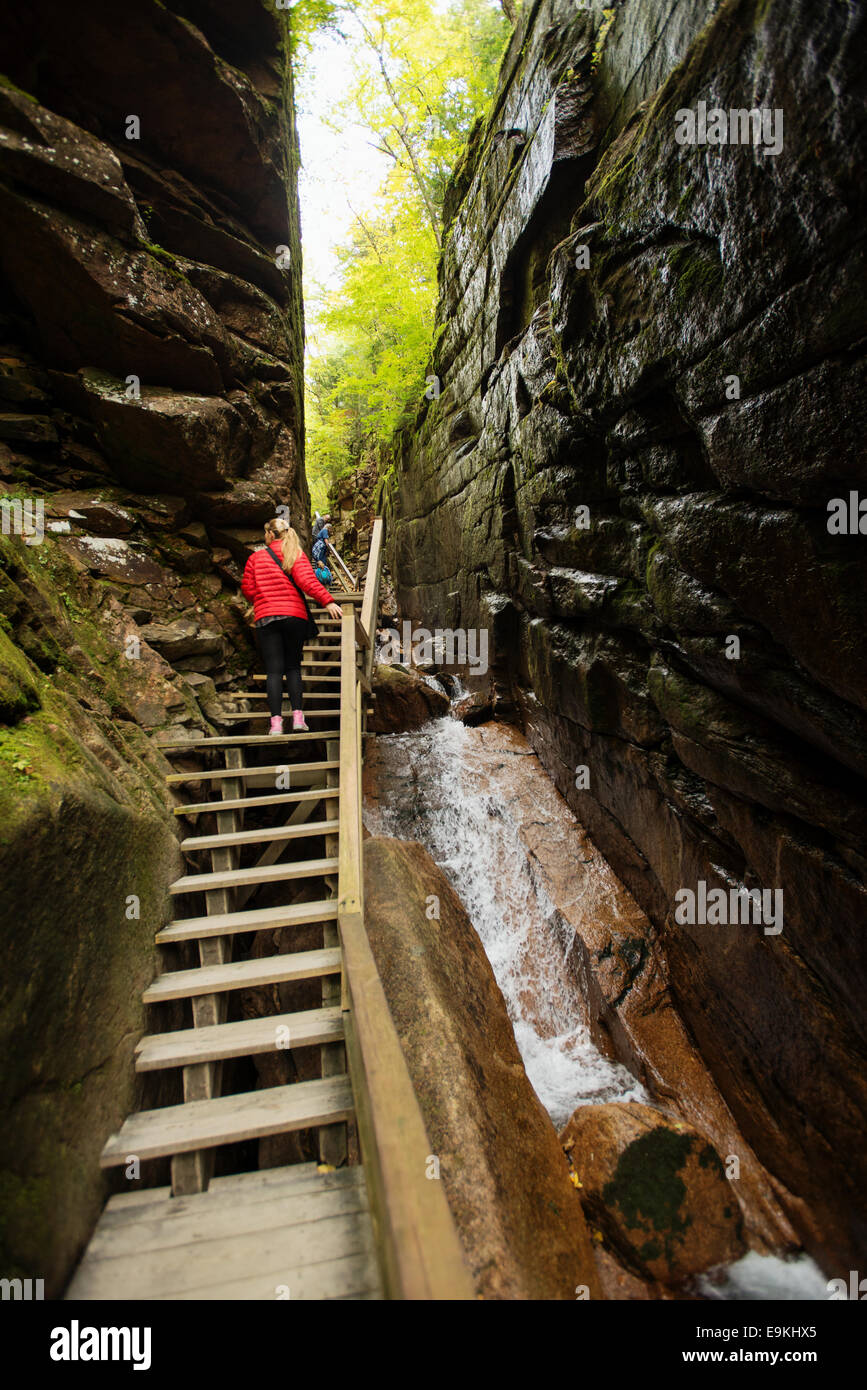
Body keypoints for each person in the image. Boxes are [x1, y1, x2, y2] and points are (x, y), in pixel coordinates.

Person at [242, 517, 341, 736]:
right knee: (293, 668)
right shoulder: (295, 553)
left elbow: (248, 590)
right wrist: (328, 601)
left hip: (267, 617)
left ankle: (276, 724)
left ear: (269, 535)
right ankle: (298, 718)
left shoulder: (255, 558)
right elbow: (308, 581)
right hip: (295, 616)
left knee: (274, 672)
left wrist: (264, 597)